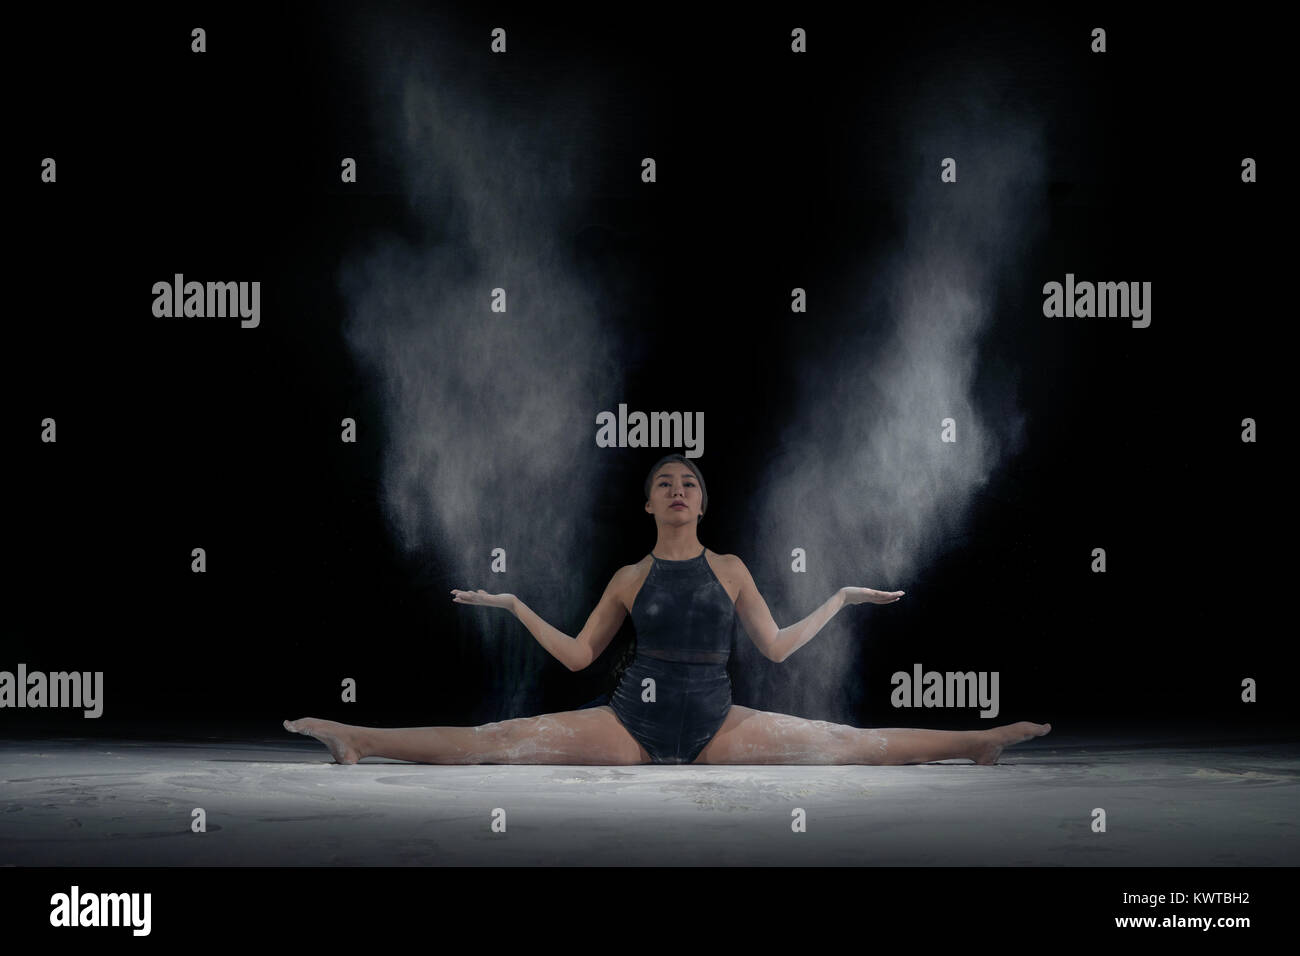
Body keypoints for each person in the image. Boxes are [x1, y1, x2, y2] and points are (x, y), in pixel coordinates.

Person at [285, 454, 1050, 765]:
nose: (678, 489)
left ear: (703, 501)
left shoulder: (731, 567)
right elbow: (581, 657)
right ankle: (355, 735)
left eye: (689, 482)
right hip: (631, 724)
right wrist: (515, 604)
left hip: (717, 723)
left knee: (845, 744)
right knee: (501, 740)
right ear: (649, 503)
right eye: (665, 483)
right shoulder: (628, 575)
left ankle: (977, 741)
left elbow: (777, 649)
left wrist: (843, 599)